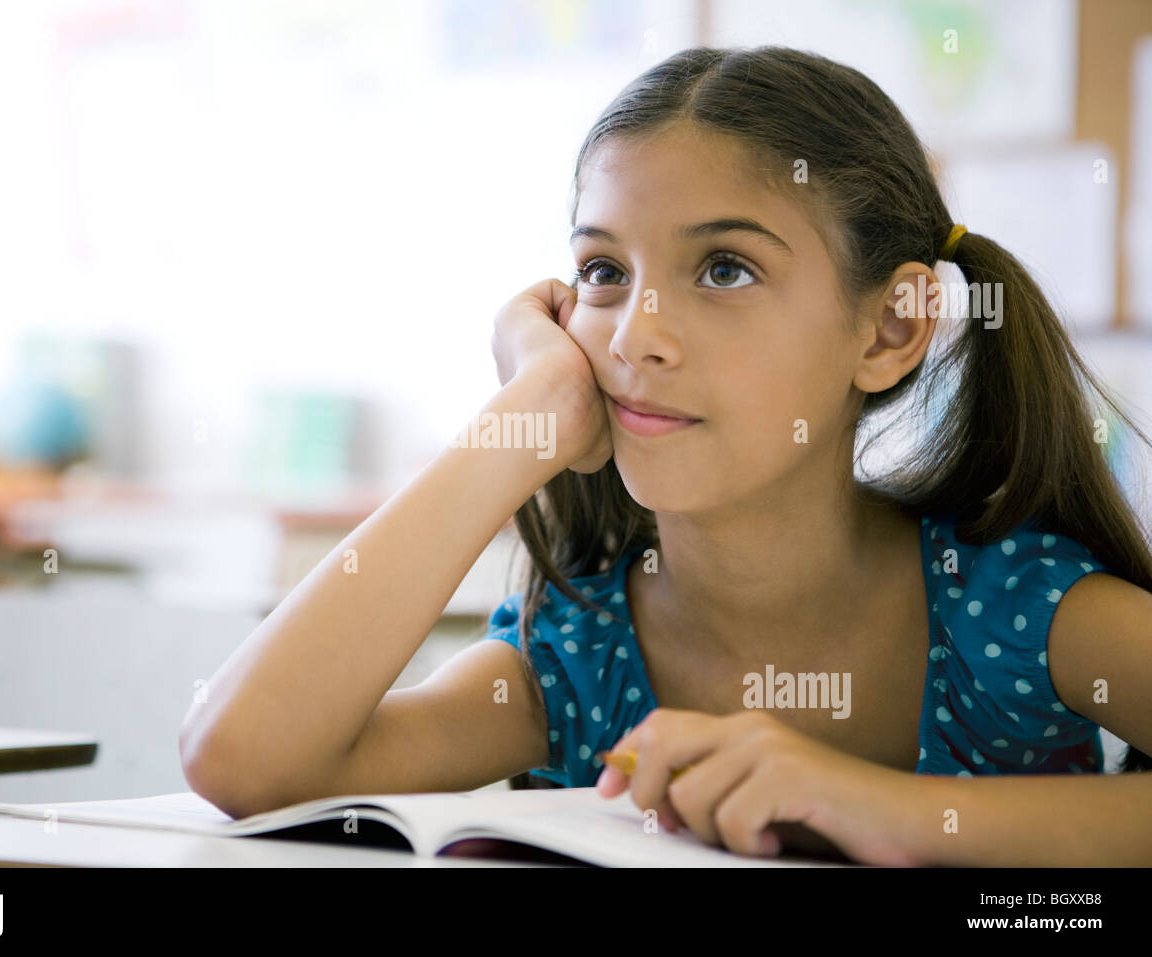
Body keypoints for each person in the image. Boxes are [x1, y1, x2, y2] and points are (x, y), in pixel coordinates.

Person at [179, 46, 1152, 866]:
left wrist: (875, 807)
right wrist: (527, 414)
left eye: (724, 268)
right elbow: (241, 757)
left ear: (891, 327)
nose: (636, 335)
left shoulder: (1012, 611)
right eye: (603, 271)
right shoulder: (580, 658)